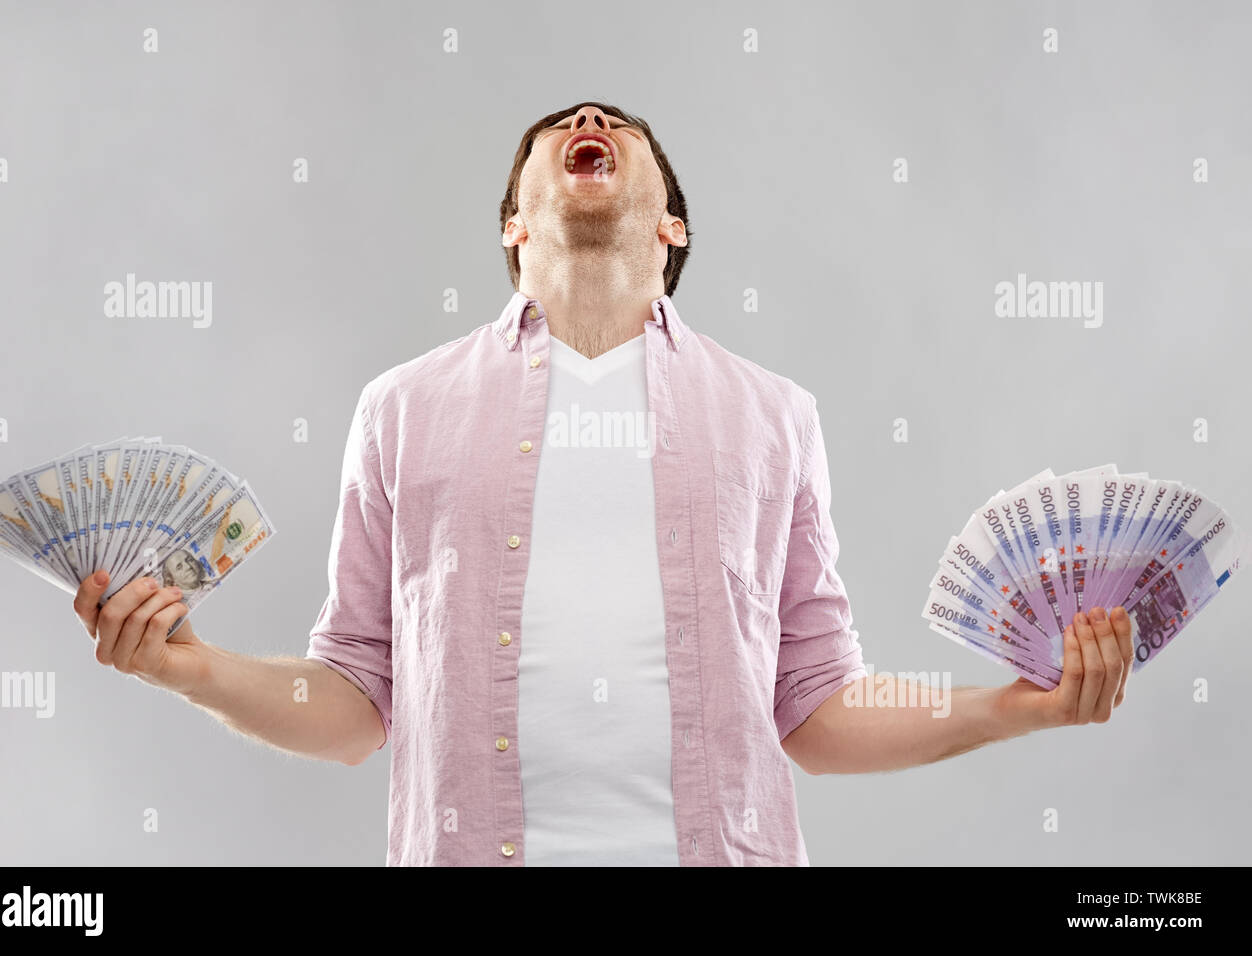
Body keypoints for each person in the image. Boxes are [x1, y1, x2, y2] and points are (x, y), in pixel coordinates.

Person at [72, 102, 1134, 867]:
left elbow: (814, 709)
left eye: (623, 125)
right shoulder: (399, 409)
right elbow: (354, 702)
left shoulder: (776, 416)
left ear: (670, 227)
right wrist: (188, 667)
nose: (592, 115)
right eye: (562, 127)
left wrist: (1015, 706)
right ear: (512, 227)